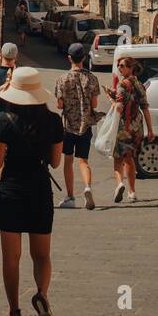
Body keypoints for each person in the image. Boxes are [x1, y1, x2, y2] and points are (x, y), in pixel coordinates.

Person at [0, 66, 63, 316]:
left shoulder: (5, 121)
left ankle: (14, 311)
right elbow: (56, 162)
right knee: (41, 255)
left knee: (11, 257)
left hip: (12, 190)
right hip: (39, 188)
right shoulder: (53, 121)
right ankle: (42, 294)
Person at [55, 42, 101, 210]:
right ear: (83, 58)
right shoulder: (92, 78)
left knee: (68, 161)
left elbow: (60, 105)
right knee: (83, 160)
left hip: (68, 125)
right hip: (85, 125)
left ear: (69, 58)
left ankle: (70, 196)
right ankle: (87, 186)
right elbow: (94, 104)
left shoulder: (62, 79)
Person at [108, 56, 154, 204]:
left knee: (118, 159)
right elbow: (145, 108)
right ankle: (132, 192)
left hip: (124, 126)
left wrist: (112, 100)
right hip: (137, 126)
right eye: (118, 66)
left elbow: (119, 106)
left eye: (122, 66)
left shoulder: (122, 84)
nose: (119, 69)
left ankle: (120, 183)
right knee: (130, 158)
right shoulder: (139, 84)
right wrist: (150, 130)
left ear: (130, 68)